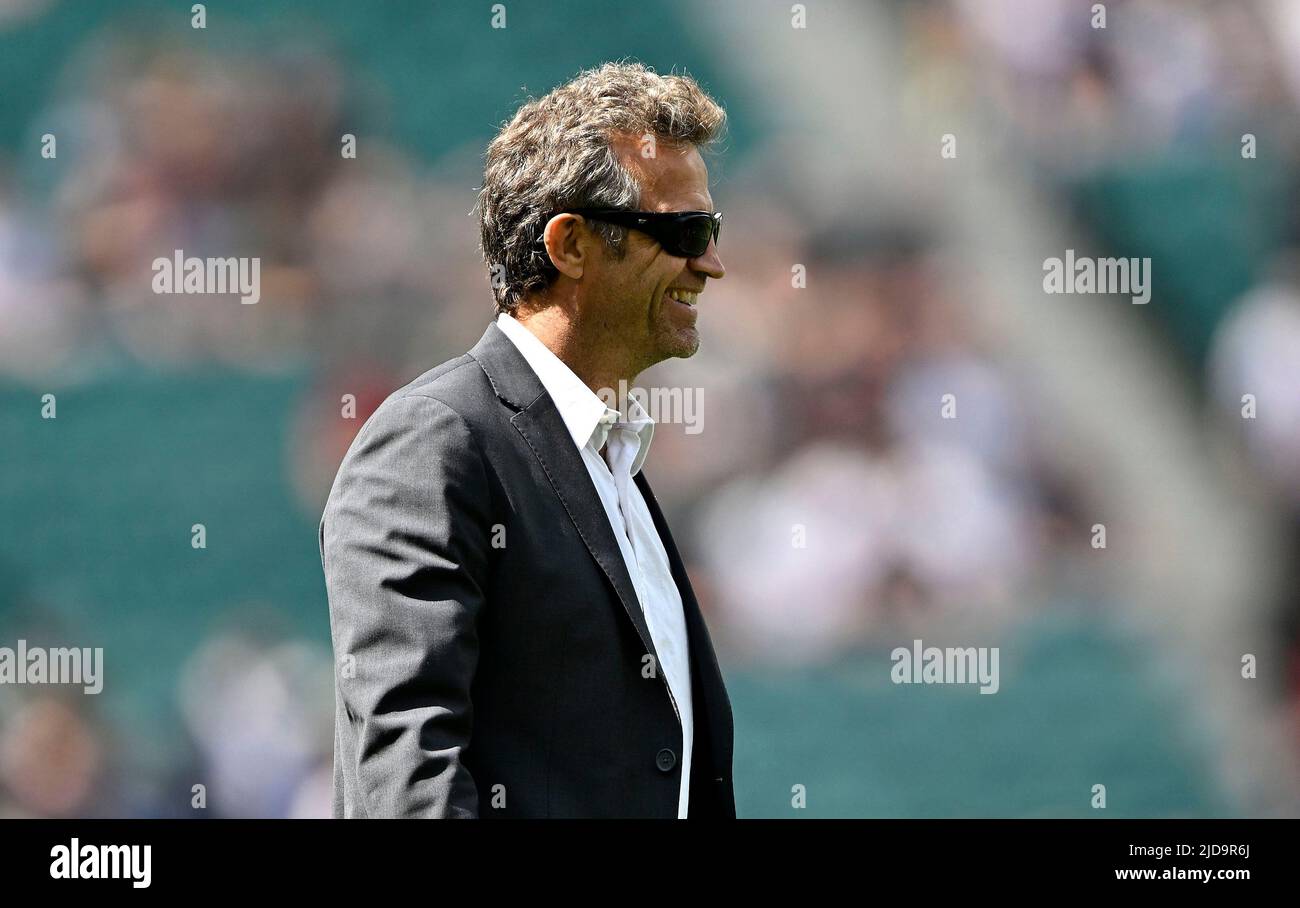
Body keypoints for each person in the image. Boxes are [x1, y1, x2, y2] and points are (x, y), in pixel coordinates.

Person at [320, 62, 734, 818]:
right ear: (571, 244)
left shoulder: (615, 463)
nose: (710, 262)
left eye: (710, 229)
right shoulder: (433, 441)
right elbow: (412, 784)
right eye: (682, 231)